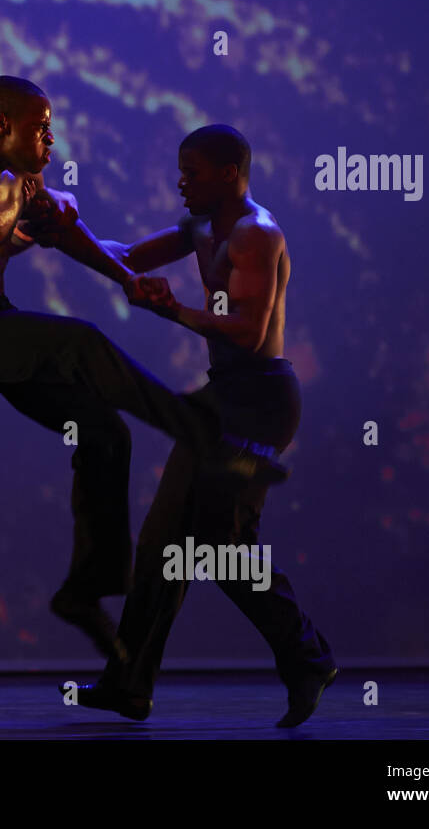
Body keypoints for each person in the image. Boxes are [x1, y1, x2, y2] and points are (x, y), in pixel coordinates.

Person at [0, 76, 291, 658]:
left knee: (108, 434)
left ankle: (85, 590)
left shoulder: (22, 186)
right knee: (78, 341)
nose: (51, 139)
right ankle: (197, 430)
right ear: (2, 124)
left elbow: (78, 239)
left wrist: (128, 280)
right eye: (40, 127)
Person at [73, 124, 337, 727]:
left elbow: (246, 330)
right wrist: (59, 234)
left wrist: (172, 309)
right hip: (221, 399)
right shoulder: (200, 229)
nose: (180, 181)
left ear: (228, 172)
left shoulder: (256, 235)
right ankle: (128, 685)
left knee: (221, 547)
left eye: (191, 171)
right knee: (163, 543)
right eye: (180, 169)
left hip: (261, 400)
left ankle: (307, 656)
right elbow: (125, 258)